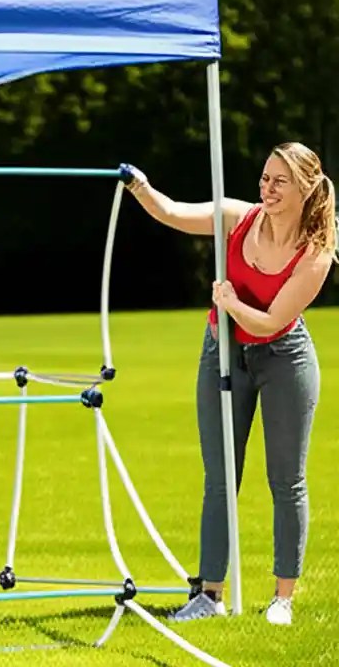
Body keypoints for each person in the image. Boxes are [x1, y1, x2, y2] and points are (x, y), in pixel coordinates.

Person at [122, 142, 334, 626]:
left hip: (284, 357)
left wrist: (229, 301)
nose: (268, 188)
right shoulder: (239, 217)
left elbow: (272, 320)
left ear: (304, 188)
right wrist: (139, 185)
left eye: (280, 181)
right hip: (224, 352)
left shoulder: (316, 251)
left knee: (287, 480)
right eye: (264, 177)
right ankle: (209, 594)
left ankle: (283, 598)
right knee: (219, 479)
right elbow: (171, 212)